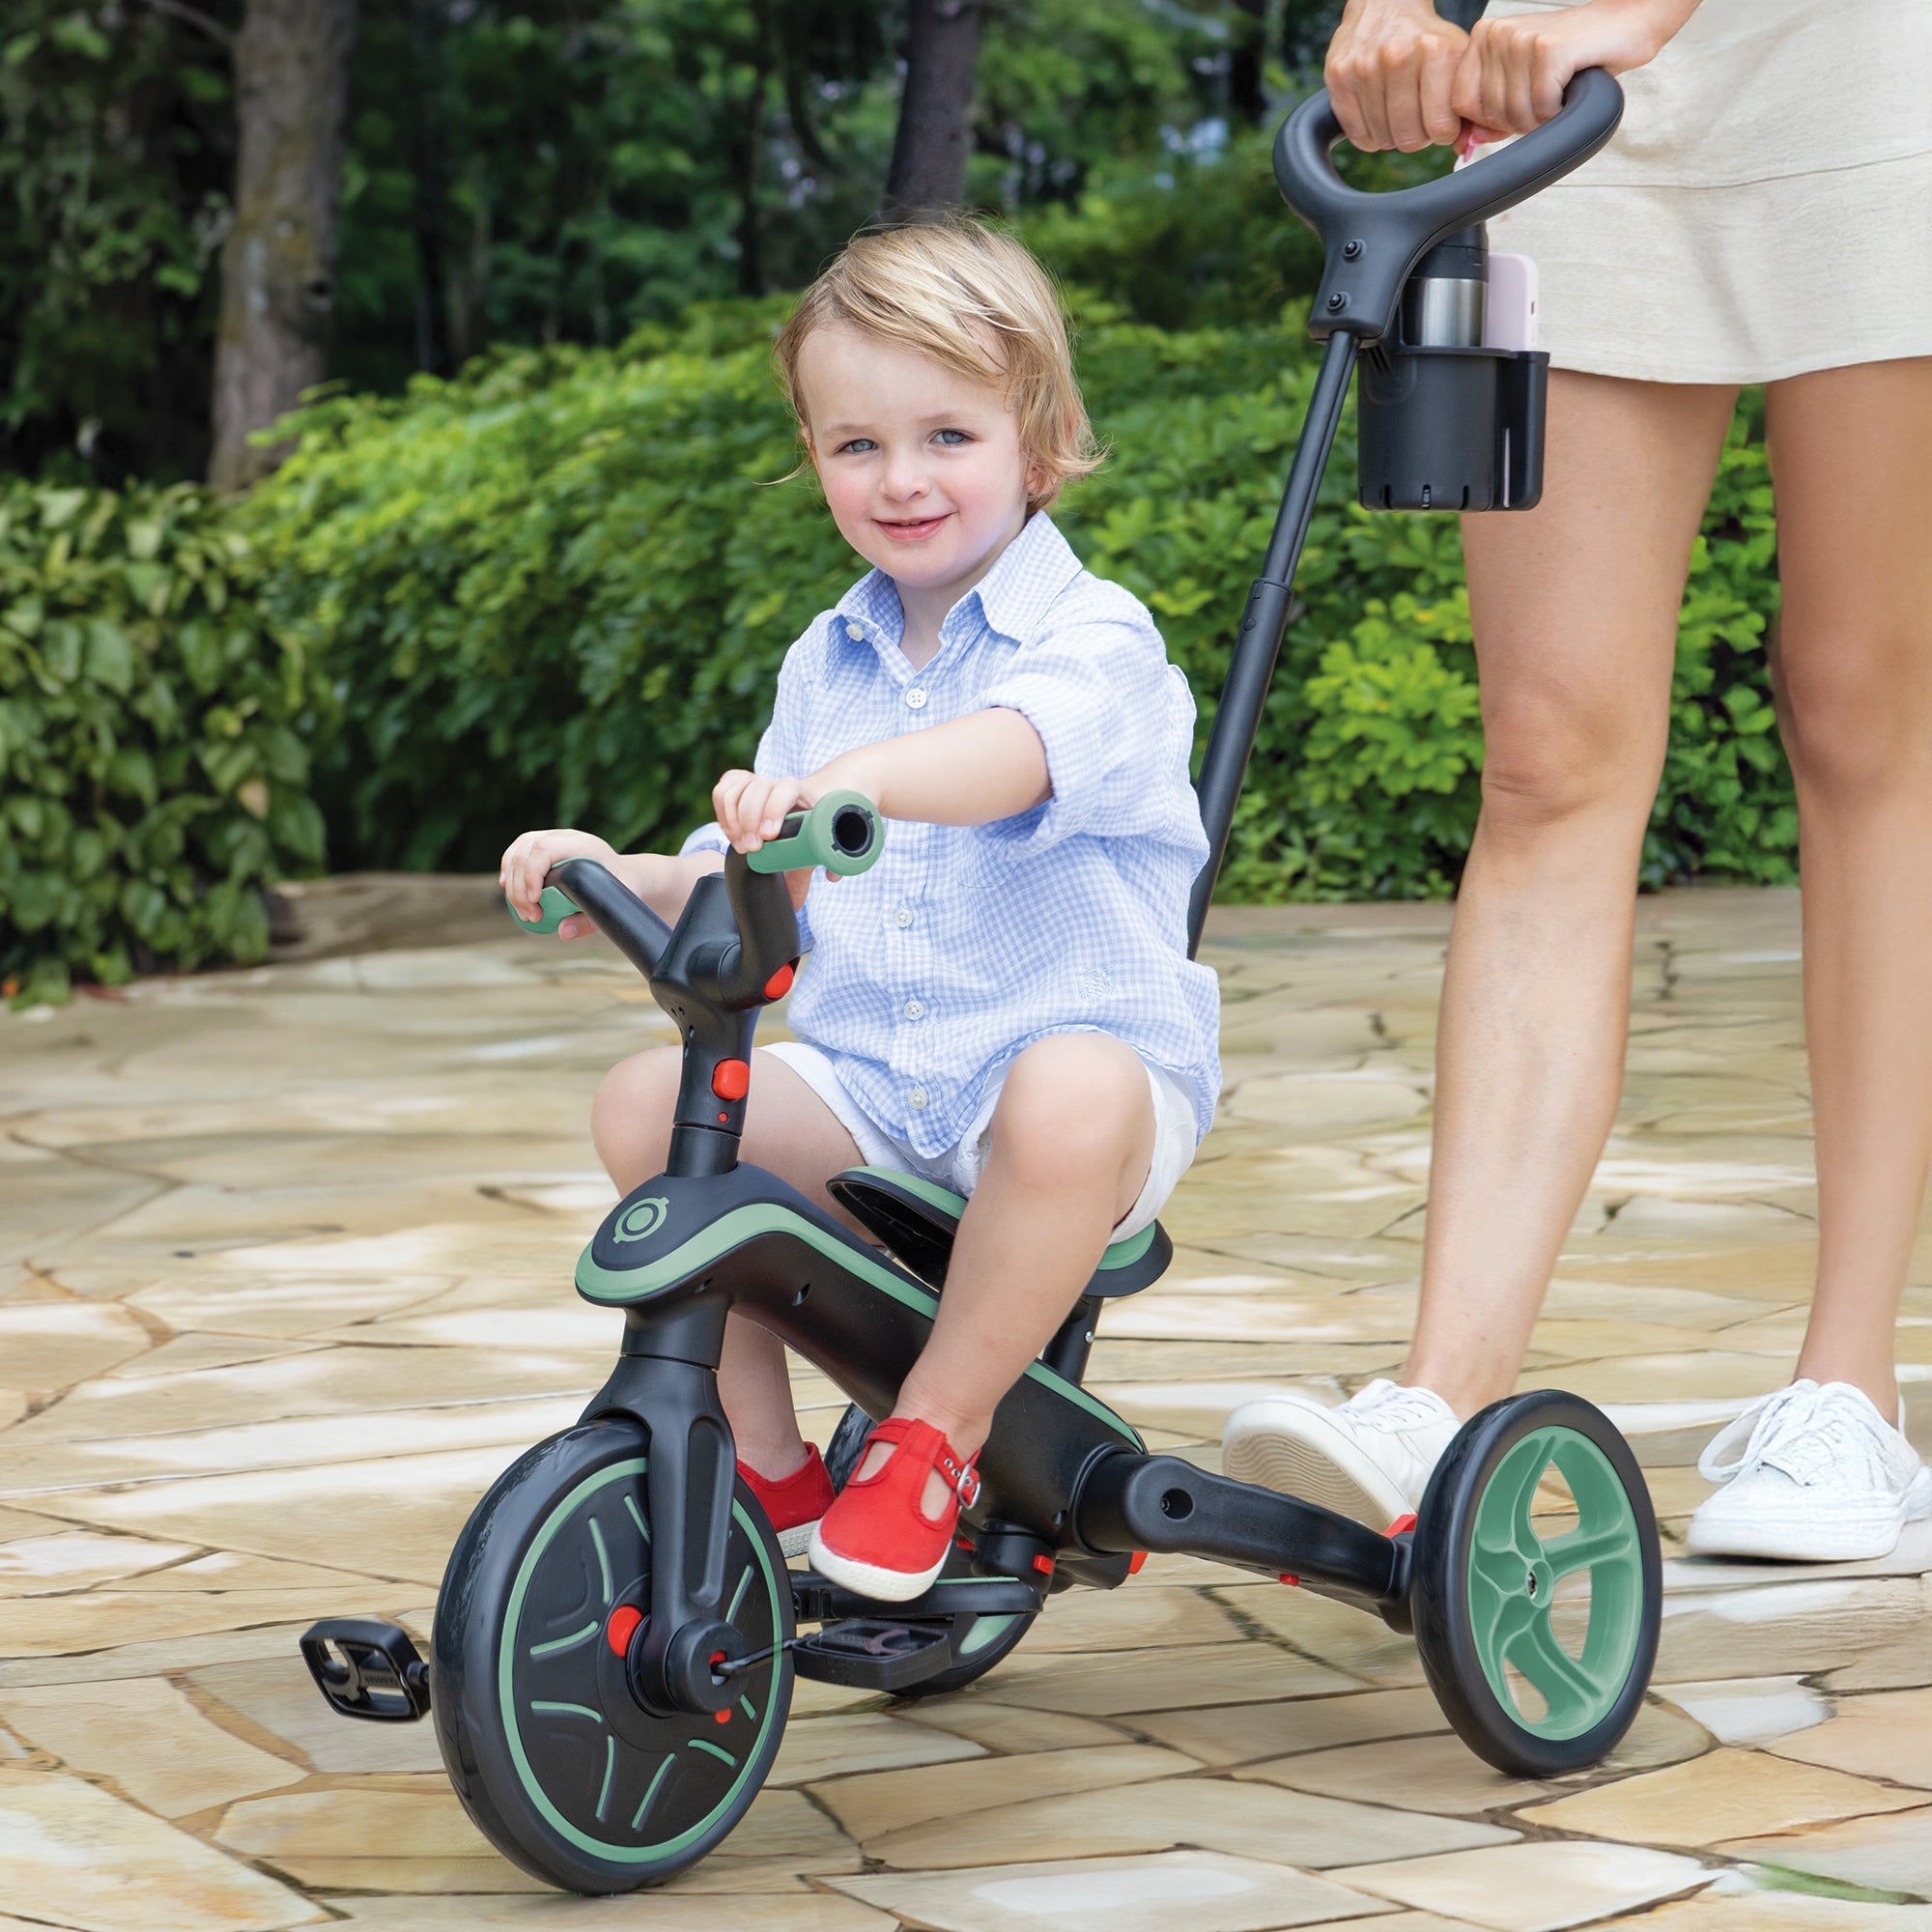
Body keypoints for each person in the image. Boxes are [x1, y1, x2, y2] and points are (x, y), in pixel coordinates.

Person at [1226, 0, 1932, 1562]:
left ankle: (1849, 1392)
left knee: (1861, 713)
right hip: (1572, 93)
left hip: (1872, 65)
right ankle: (1443, 1393)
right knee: (1549, 758)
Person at [502, 220, 1219, 1602]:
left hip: (1068, 1106)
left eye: (947, 435)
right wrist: (631, 876)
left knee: (1071, 1088)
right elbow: (764, 860)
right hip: (878, 1098)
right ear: (815, 455)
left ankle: (933, 1438)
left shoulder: (1100, 642)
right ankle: (768, 1465)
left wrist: (861, 784)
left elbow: (1013, 754)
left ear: (1043, 438)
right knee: (649, 1107)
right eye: (855, 446)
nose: (900, 481)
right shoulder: (823, 664)